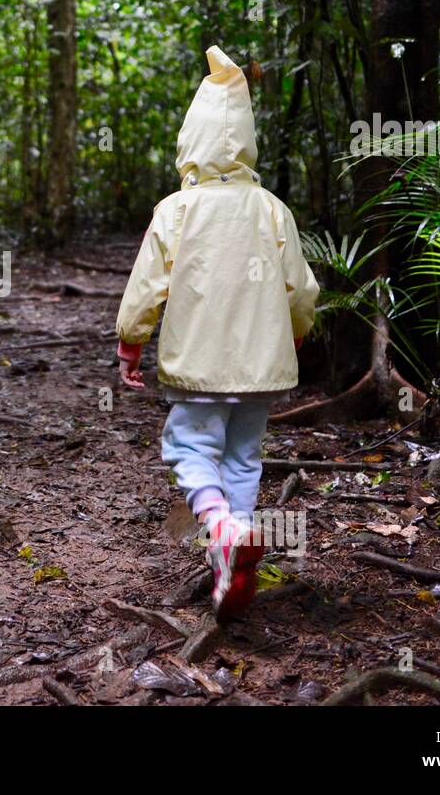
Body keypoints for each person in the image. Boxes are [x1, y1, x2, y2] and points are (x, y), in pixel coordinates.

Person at [115, 45, 320, 620]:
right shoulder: (272, 209)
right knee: (243, 459)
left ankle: (220, 528)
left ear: (191, 141)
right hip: (260, 369)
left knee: (188, 446)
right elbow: (302, 291)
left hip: (199, 364)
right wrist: (295, 335)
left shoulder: (177, 210)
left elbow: (147, 285)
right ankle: (233, 547)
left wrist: (131, 341)